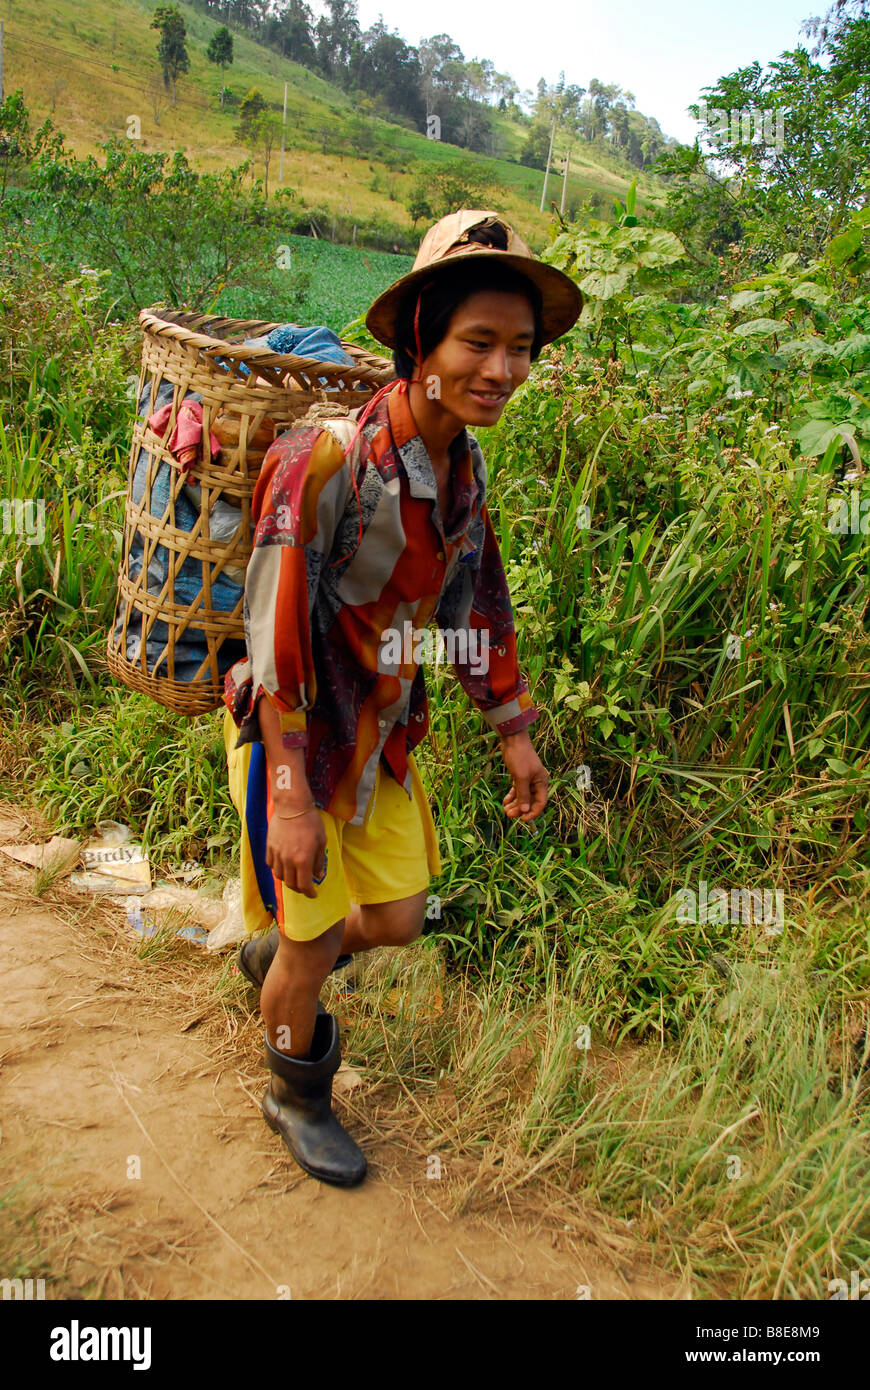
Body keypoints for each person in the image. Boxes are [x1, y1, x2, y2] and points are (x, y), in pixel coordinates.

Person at [222, 209, 583, 1187]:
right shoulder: (325, 461)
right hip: (291, 732)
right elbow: (268, 634)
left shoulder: (459, 475)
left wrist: (513, 729)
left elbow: (480, 607)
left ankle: (281, 962)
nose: (503, 369)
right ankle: (294, 1090)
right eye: (480, 342)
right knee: (315, 933)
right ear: (420, 335)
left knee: (400, 916)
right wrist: (290, 796)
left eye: (520, 348)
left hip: (377, 737)